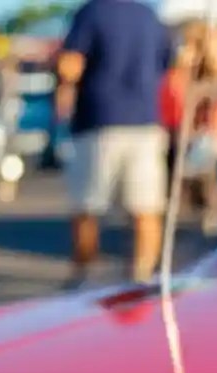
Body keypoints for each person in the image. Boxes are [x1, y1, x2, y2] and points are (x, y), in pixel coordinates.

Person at [56, 0, 173, 285]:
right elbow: (168, 65)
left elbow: (70, 66)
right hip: (146, 122)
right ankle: (142, 276)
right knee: (146, 208)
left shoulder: (92, 12)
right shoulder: (150, 16)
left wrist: (62, 92)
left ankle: (84, 276)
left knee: (87, 206)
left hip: (99, 121)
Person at [162, 21, 217, 238]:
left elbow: (191, 105)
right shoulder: (202, 75)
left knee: (206, 186)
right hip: (201, 137)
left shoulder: (202, 77)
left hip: (203, 137)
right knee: (204, 185)